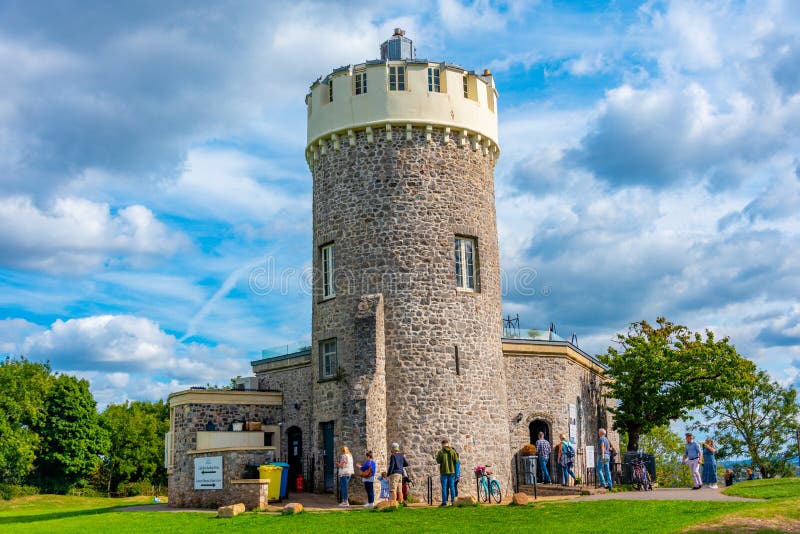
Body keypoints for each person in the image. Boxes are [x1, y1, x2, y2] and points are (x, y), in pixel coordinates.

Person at [436, 439, 459, 506]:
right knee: (452, 487)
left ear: (442, 444)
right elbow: (456, 461)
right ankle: (453, 501)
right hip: (452, 472)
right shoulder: (453, 452)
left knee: (444, 487)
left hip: (444, 472)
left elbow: (438, 461)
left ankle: (444, 502)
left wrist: (438, 458)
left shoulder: (440, 452)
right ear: (448, 444)